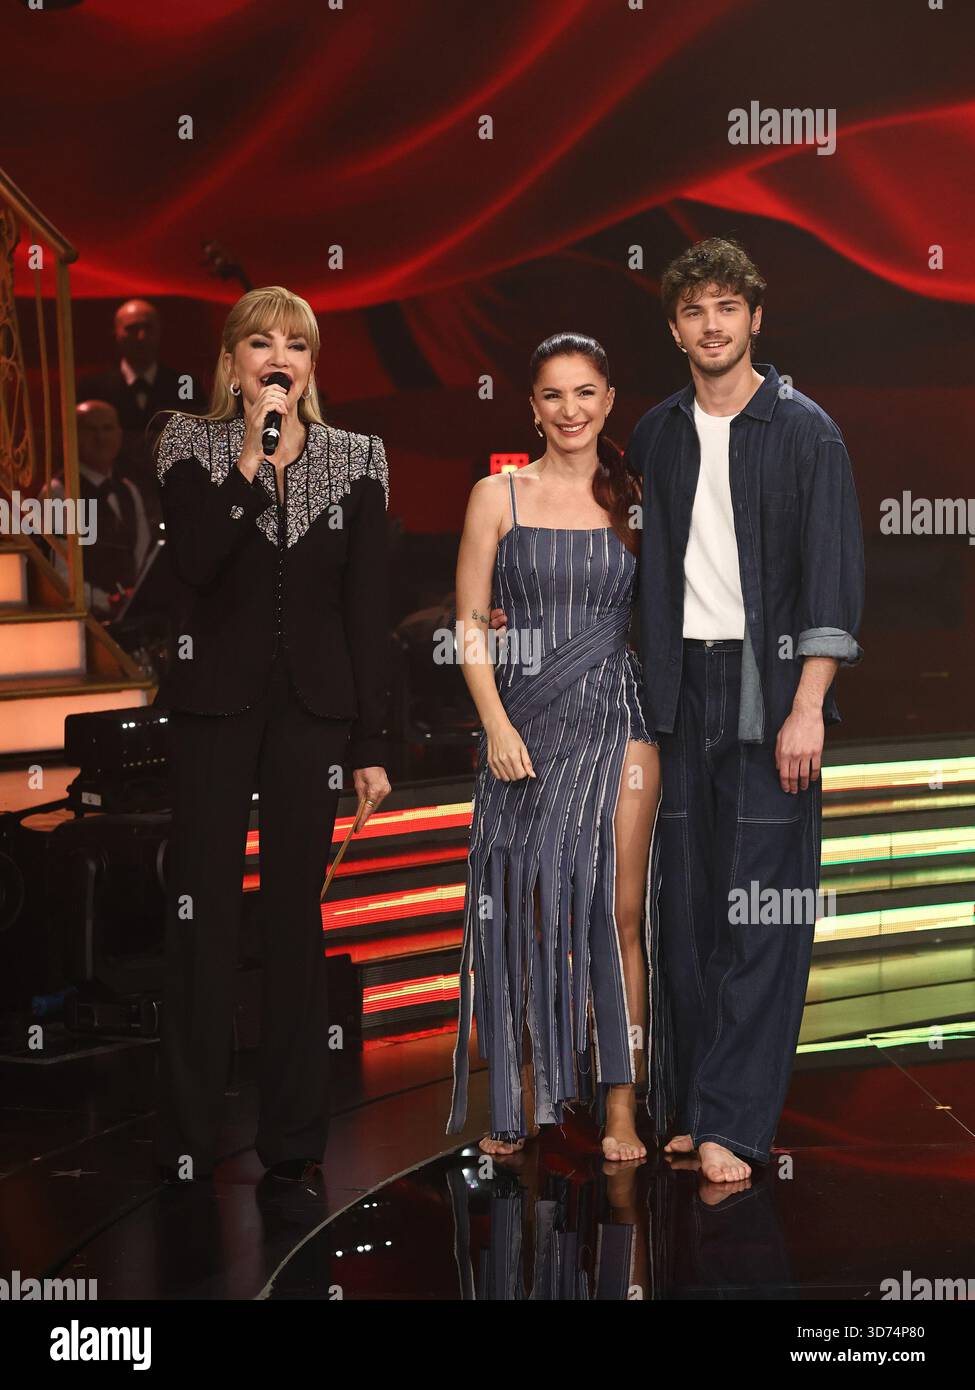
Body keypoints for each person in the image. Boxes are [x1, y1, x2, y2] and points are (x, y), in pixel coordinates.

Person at [629, 237, 865, 1183]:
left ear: (754, 318)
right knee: (684, 911)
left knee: (761, 912)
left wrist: (808, 707)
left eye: (728, 307)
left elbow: (832, 582)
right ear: (676, 327)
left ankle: (735, 1120)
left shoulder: (805, 429)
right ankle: (690, 1107)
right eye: (694, 311)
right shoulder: (654, 433)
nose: (712, 324)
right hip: (676, 690)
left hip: (770, 695)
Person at [150, 285, 391, 1185]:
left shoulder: (357, 457)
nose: (277, 355)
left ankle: (293, 1139)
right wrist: (252, 457)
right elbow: (196, 562)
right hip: (215, 707)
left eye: (295, 343)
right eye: (260, 342)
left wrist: (373, 743)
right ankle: (188, 1134)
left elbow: (367, 610)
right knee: (202, 916)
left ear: (313, 366)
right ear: (232, 362)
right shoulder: (189, 443)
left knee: (295, 920)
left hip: (313, 711)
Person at [447, 333, 662, 1161]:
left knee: (618, 915)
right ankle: (525, 1091)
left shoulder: (637, 496)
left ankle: (618, 1105)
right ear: (530, 406)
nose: (569, 410)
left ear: (608, 401)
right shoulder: (495, 496)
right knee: (528, 909)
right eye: (552, 395)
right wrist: (495, 723)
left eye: (584, 393)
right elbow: (467, 624)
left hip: (619, 717)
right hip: (524, 723)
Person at [77, 298, 204, 526]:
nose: (141, 337)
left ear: (160, 332)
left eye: (148, 328)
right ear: (116, 333)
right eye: (132, 328)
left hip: (173, 500)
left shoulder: (186, 384)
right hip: (109, 500)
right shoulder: (91, 389)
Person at [42, 399, 152, 618]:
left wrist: (135, 597)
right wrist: (105, 601)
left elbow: (142, 555)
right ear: (72, 436)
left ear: (120, 435)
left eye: (107, 429)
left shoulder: (129, 490)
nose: (101, 438)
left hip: (130, 616)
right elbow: (59, 570)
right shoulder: (57, 492)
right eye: (90, 429)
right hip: (86, 619)